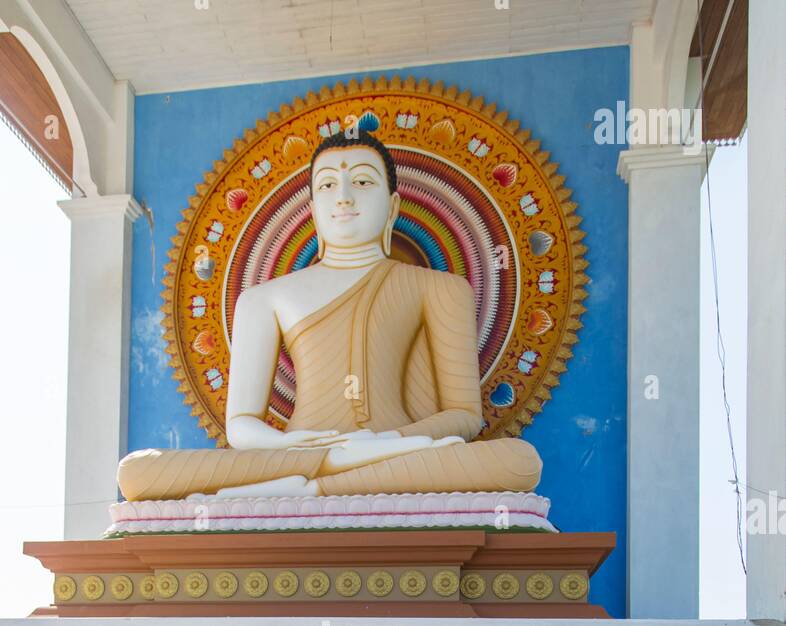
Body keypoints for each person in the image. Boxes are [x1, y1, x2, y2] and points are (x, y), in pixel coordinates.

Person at [117, 130, 543, 502]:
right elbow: (241, 426)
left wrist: (380, 443)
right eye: (326, 186)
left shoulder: (442, 289)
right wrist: (295, 448)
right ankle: (330, 472)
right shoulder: (263, 299)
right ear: (313, 207)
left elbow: (465, 417)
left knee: (517, 461)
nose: (343, 197)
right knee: (137, 471)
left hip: (394, 452)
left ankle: (319, 487)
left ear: (392, 206)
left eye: (361, 181)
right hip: (297, 456)